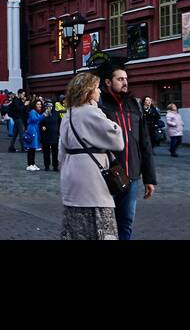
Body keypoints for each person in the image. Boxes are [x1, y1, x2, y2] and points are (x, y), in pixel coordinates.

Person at [95, 57, 157, 241]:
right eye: (120, 79)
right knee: (105, 224)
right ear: (108, 82)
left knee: (126, 222)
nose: (125, 82)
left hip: (133, 175)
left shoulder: (134, 105)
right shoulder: (100, 106)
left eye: (126, 79)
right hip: (107, 174)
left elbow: (144, 143)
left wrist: (150, 178)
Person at [59, 70, 124, 239]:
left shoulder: (68, 114)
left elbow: (61, 150)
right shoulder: (91, 112)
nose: (100, 91)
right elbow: (117, 140)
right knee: (100, 224)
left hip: (72, 173)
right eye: (97, 87)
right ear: (88, 91)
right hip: (92, 177)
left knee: (75, 227)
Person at [40, 95, 61, 171]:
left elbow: (60, 123)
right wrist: (42, 127)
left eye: (50, 106)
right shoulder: (43, 114)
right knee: (46, 152)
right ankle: (47, 165)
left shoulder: (56, 113)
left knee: (55, 152)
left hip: (55, 135)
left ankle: (55, 165)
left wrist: (59, 132)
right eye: (47, 106)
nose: (48, 108)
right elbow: (40, 123)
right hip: (46, 135)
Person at [23, 99, 45, 172]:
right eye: (38, 104)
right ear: (35, 105)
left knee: (33, 148)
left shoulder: (36, 112)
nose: (40, 106)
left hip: (35, 129)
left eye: (40, 104)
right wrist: (43, 115)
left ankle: (33, 163)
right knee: (31, 148)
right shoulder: (33, 111)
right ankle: (30, 164)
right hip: (32, 130)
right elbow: (34, 119)